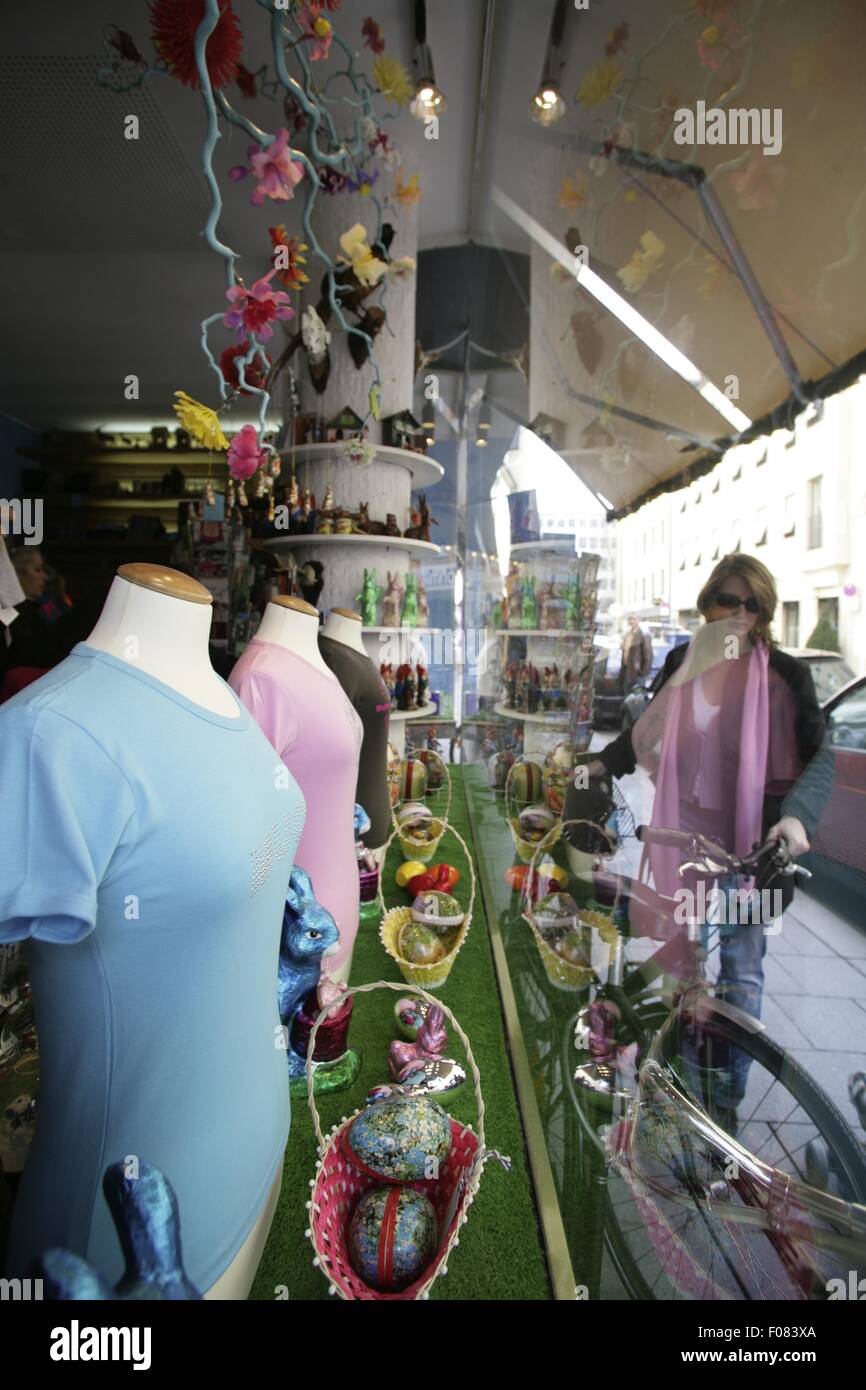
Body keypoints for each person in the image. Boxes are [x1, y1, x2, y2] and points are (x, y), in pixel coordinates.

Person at [585, 554, 833, 1116]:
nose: (740, 613)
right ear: (707, 603)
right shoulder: (684, 661)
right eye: (729, 600)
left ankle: (726, 1104)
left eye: (753, 604)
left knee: (742, 969)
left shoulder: (786, 676)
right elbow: (644, 731)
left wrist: (794, 821)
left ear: (764, 611)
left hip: (753, 850)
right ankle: (677, 1080)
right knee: (681, 956)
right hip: (685, 836)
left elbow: (819, 758)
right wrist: (597, 768)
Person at [621, 614, 652, 691]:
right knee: (627, 696)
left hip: (637, 673)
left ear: (638, 621)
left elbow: (648, 656)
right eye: (630, 619)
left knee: (636, 698)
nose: (632, 621)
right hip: (627, 670)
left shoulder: (643, 635)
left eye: (634, 619)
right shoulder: (627, 634)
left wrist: (643, 672)